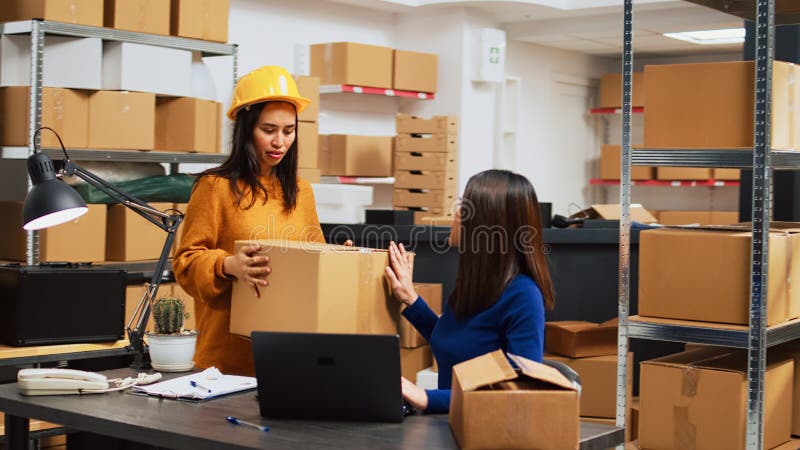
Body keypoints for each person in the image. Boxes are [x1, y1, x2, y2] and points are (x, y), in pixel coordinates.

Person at [173, 65, 325, 376]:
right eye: (268, 130)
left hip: (288, 359)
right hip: (227, 363)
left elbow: (314, 261)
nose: (280, 142)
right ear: (246, 129)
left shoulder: (301, 192)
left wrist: (337, 260)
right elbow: (185, 264)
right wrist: (228, 266)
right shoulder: (215, 187)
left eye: (289, 130)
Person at [385, 169, 555, 413]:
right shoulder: (476, 285)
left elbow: (522, 388)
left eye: (464, 209)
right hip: (450, 425)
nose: (455, 215)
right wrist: (410, 299)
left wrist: (427, 398)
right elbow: (455, 341)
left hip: (484, 433)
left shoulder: (523, 296)